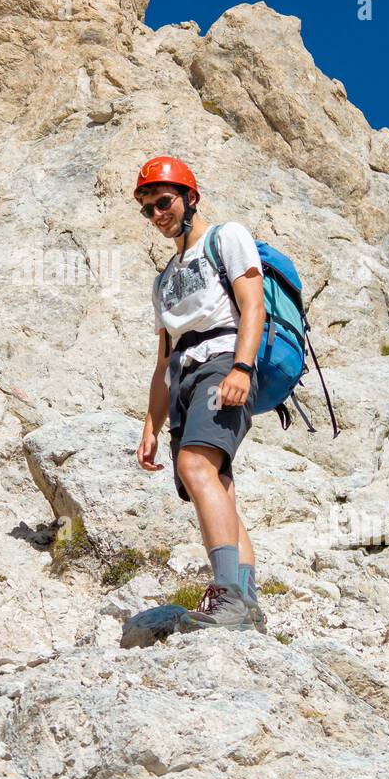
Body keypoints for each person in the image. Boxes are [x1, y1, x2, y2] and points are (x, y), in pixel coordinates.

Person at [134, 155, 267, 632]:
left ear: (190, 197)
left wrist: (242, 368)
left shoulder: (225, 237)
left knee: (194, 466)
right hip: (183, 380)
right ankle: (247, 609)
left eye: (163, 202)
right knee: (216, 486)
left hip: (222, 362)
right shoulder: (163, 280)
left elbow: (254, 307)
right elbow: (162, 360)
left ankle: (229, 600)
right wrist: (150, 426)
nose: (157, 215)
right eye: (147, 208)